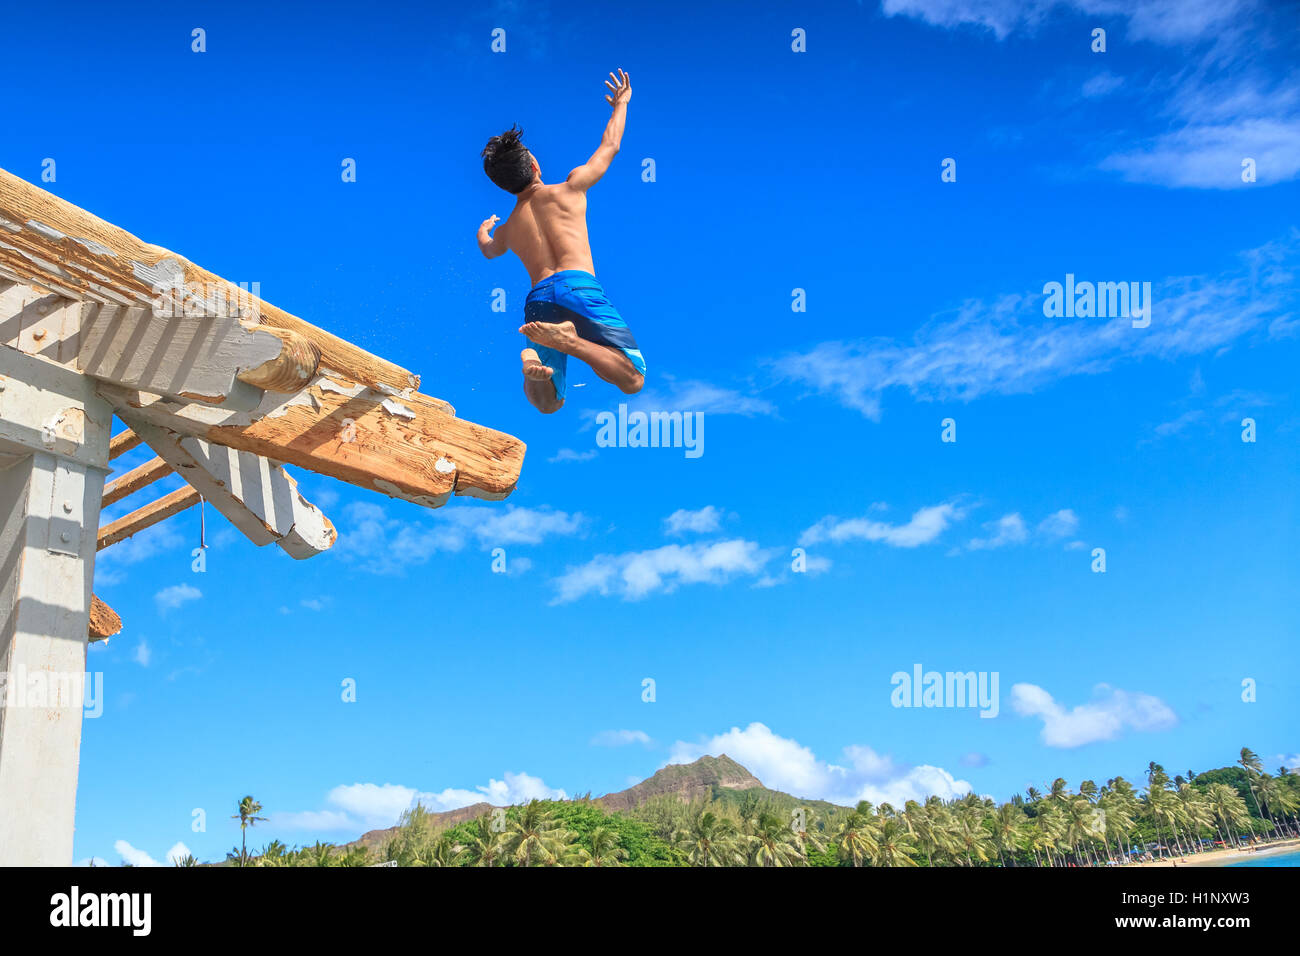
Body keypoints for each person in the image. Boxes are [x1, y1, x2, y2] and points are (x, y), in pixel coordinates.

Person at [477, 68, 645, 414]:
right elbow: (610, 146)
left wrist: (484, 232)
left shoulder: (508, 228)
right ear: (535, 164)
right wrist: (620, 105)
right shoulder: (570, 188)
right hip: (578, 286)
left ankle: (534, 371)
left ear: (503, 186)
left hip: (538, 299)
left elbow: (490, 251)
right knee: (633, 379)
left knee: (550, 404)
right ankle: (572, 342)